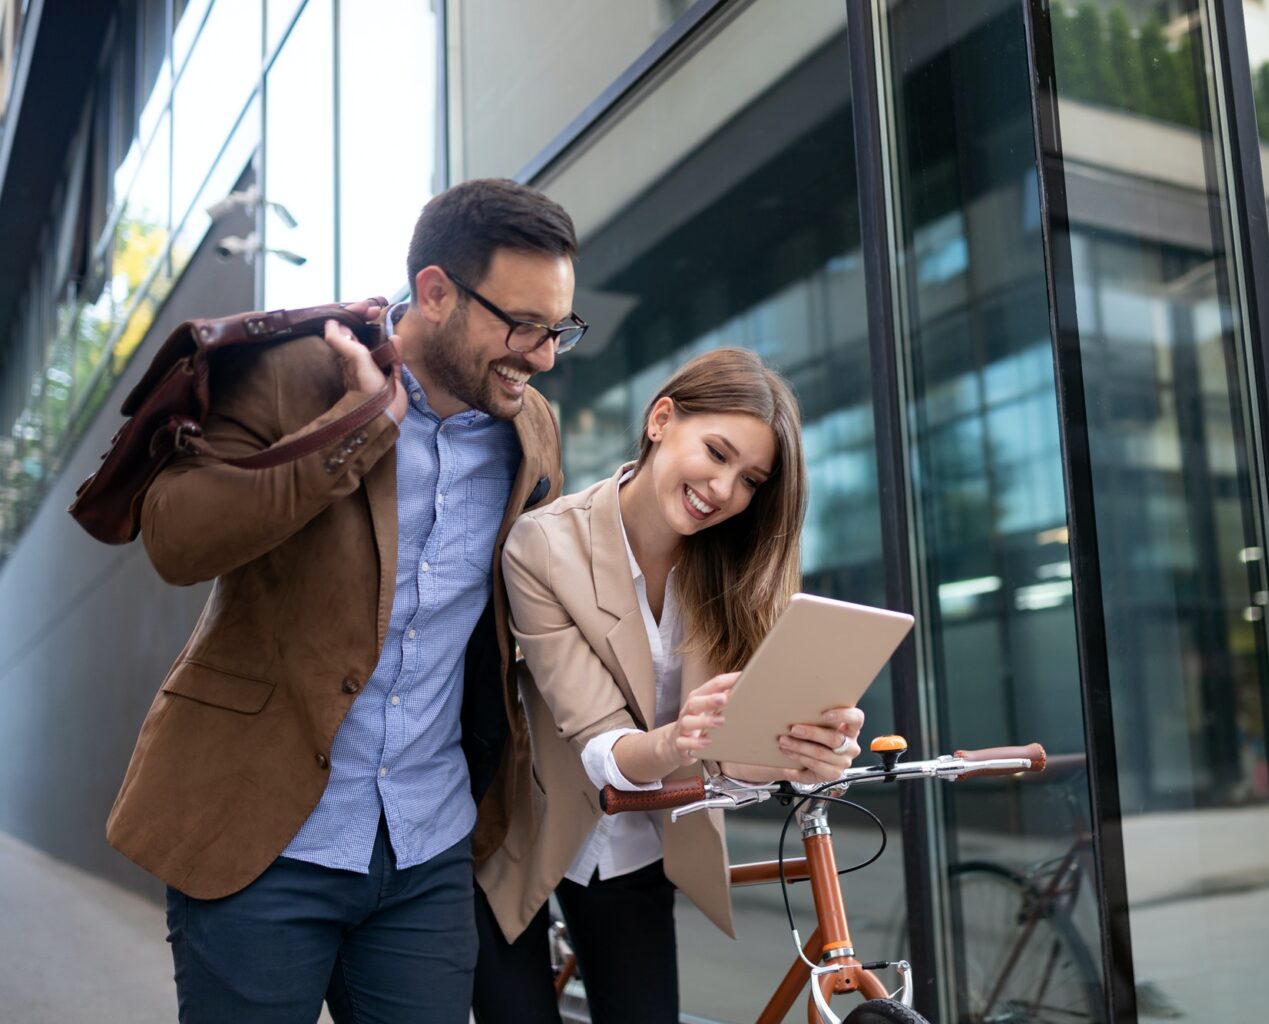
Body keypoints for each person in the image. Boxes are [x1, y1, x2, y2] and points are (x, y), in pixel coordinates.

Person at [107, 178, 584, 1022]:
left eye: (558, 329)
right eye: (522, 326)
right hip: (259, 834)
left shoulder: (530, 426)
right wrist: (357, 428)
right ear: (434, 292)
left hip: (426, 846)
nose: (543, 356)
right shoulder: (292, 373)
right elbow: (174, 540)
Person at [473, 348, 866, 1022]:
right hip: (523, 835)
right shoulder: (542, 545)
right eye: (716, 453)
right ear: (661, 420)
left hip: (637, 849)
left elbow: (729, 757)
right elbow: (599, 742)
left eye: (750, 480)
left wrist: (803, 753)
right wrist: (681, 738)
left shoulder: (737, 571)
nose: (724, 490)